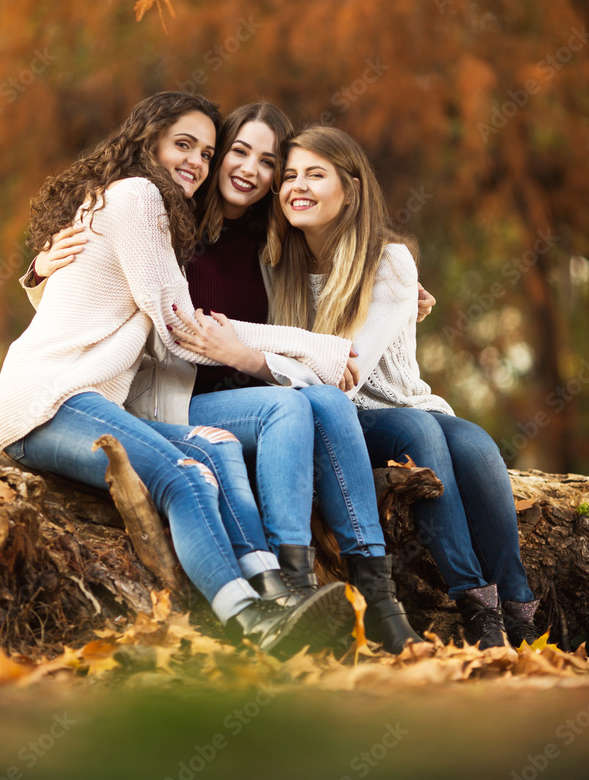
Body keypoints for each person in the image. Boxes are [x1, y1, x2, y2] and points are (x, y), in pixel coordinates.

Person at [33, 102, 427, 654]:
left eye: (268, 161)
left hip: (246, 393)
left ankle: (375, 596)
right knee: (290, 408)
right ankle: (293, 585)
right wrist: (38, 269)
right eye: (236, 152)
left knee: (328, 403)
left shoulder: (278, 240)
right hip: (169, 395)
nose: (247, 168)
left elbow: (338, 266)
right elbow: (95, 303)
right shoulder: (167, 214)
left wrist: (398, 290)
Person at [264, 124, 539, 650]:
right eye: (290, 175)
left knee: (478, 446)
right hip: (342, 417)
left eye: (315, 174)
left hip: (407, 405)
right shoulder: (278, 268)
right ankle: (475, 604)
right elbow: (333, 380)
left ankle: (520, 611)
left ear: (352, 187)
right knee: (419, 430)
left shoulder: (388, 260)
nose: (297, 185)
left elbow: (355, 364)